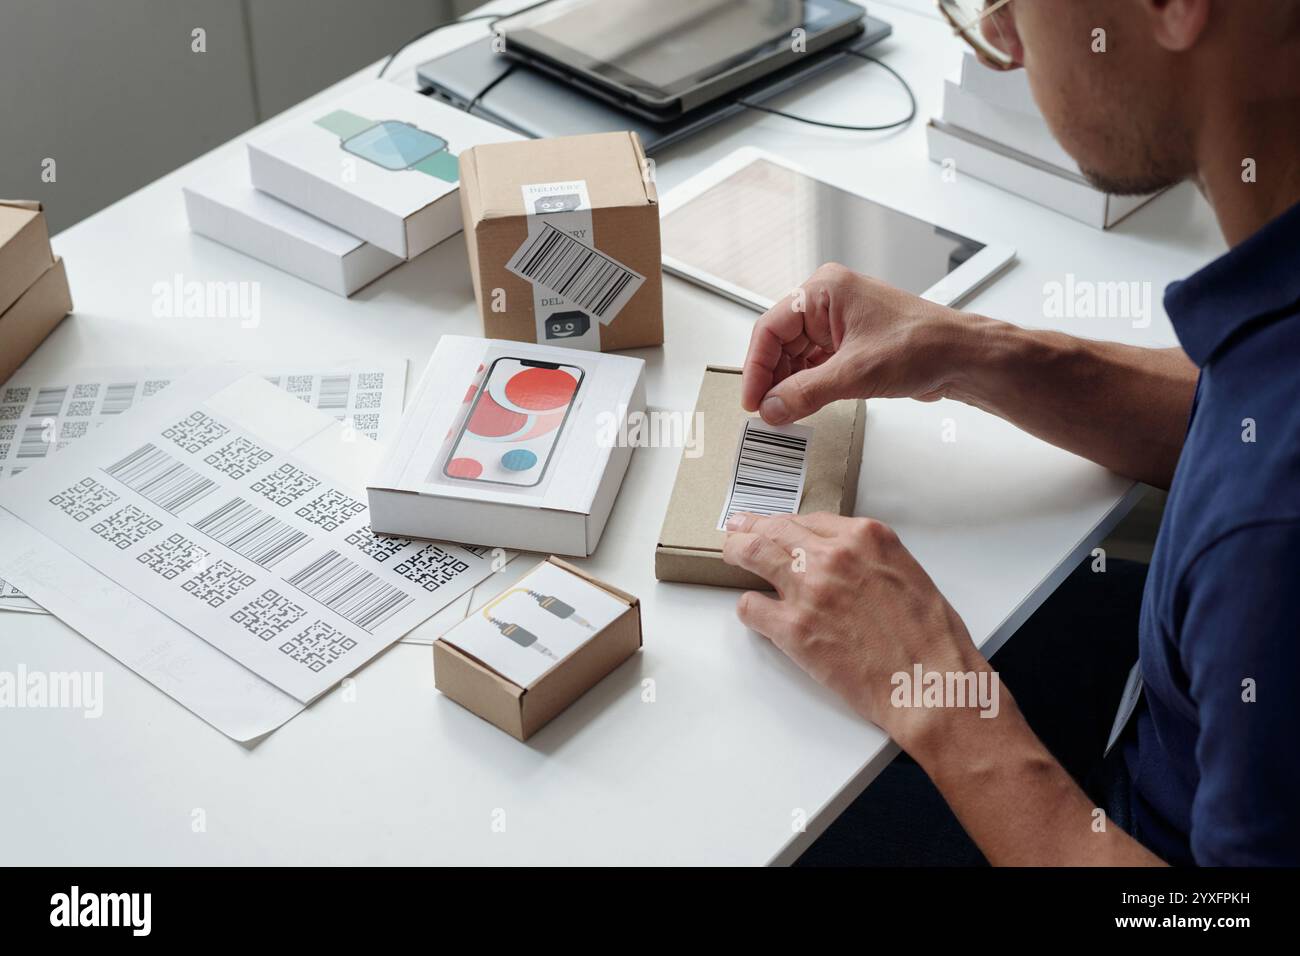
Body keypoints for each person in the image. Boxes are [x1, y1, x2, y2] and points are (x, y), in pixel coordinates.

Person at [722, 0, 1300, 865]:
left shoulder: (1269, 544)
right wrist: (972, 354)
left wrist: (938, 695)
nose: (1001, 36)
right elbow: (1244, 417)